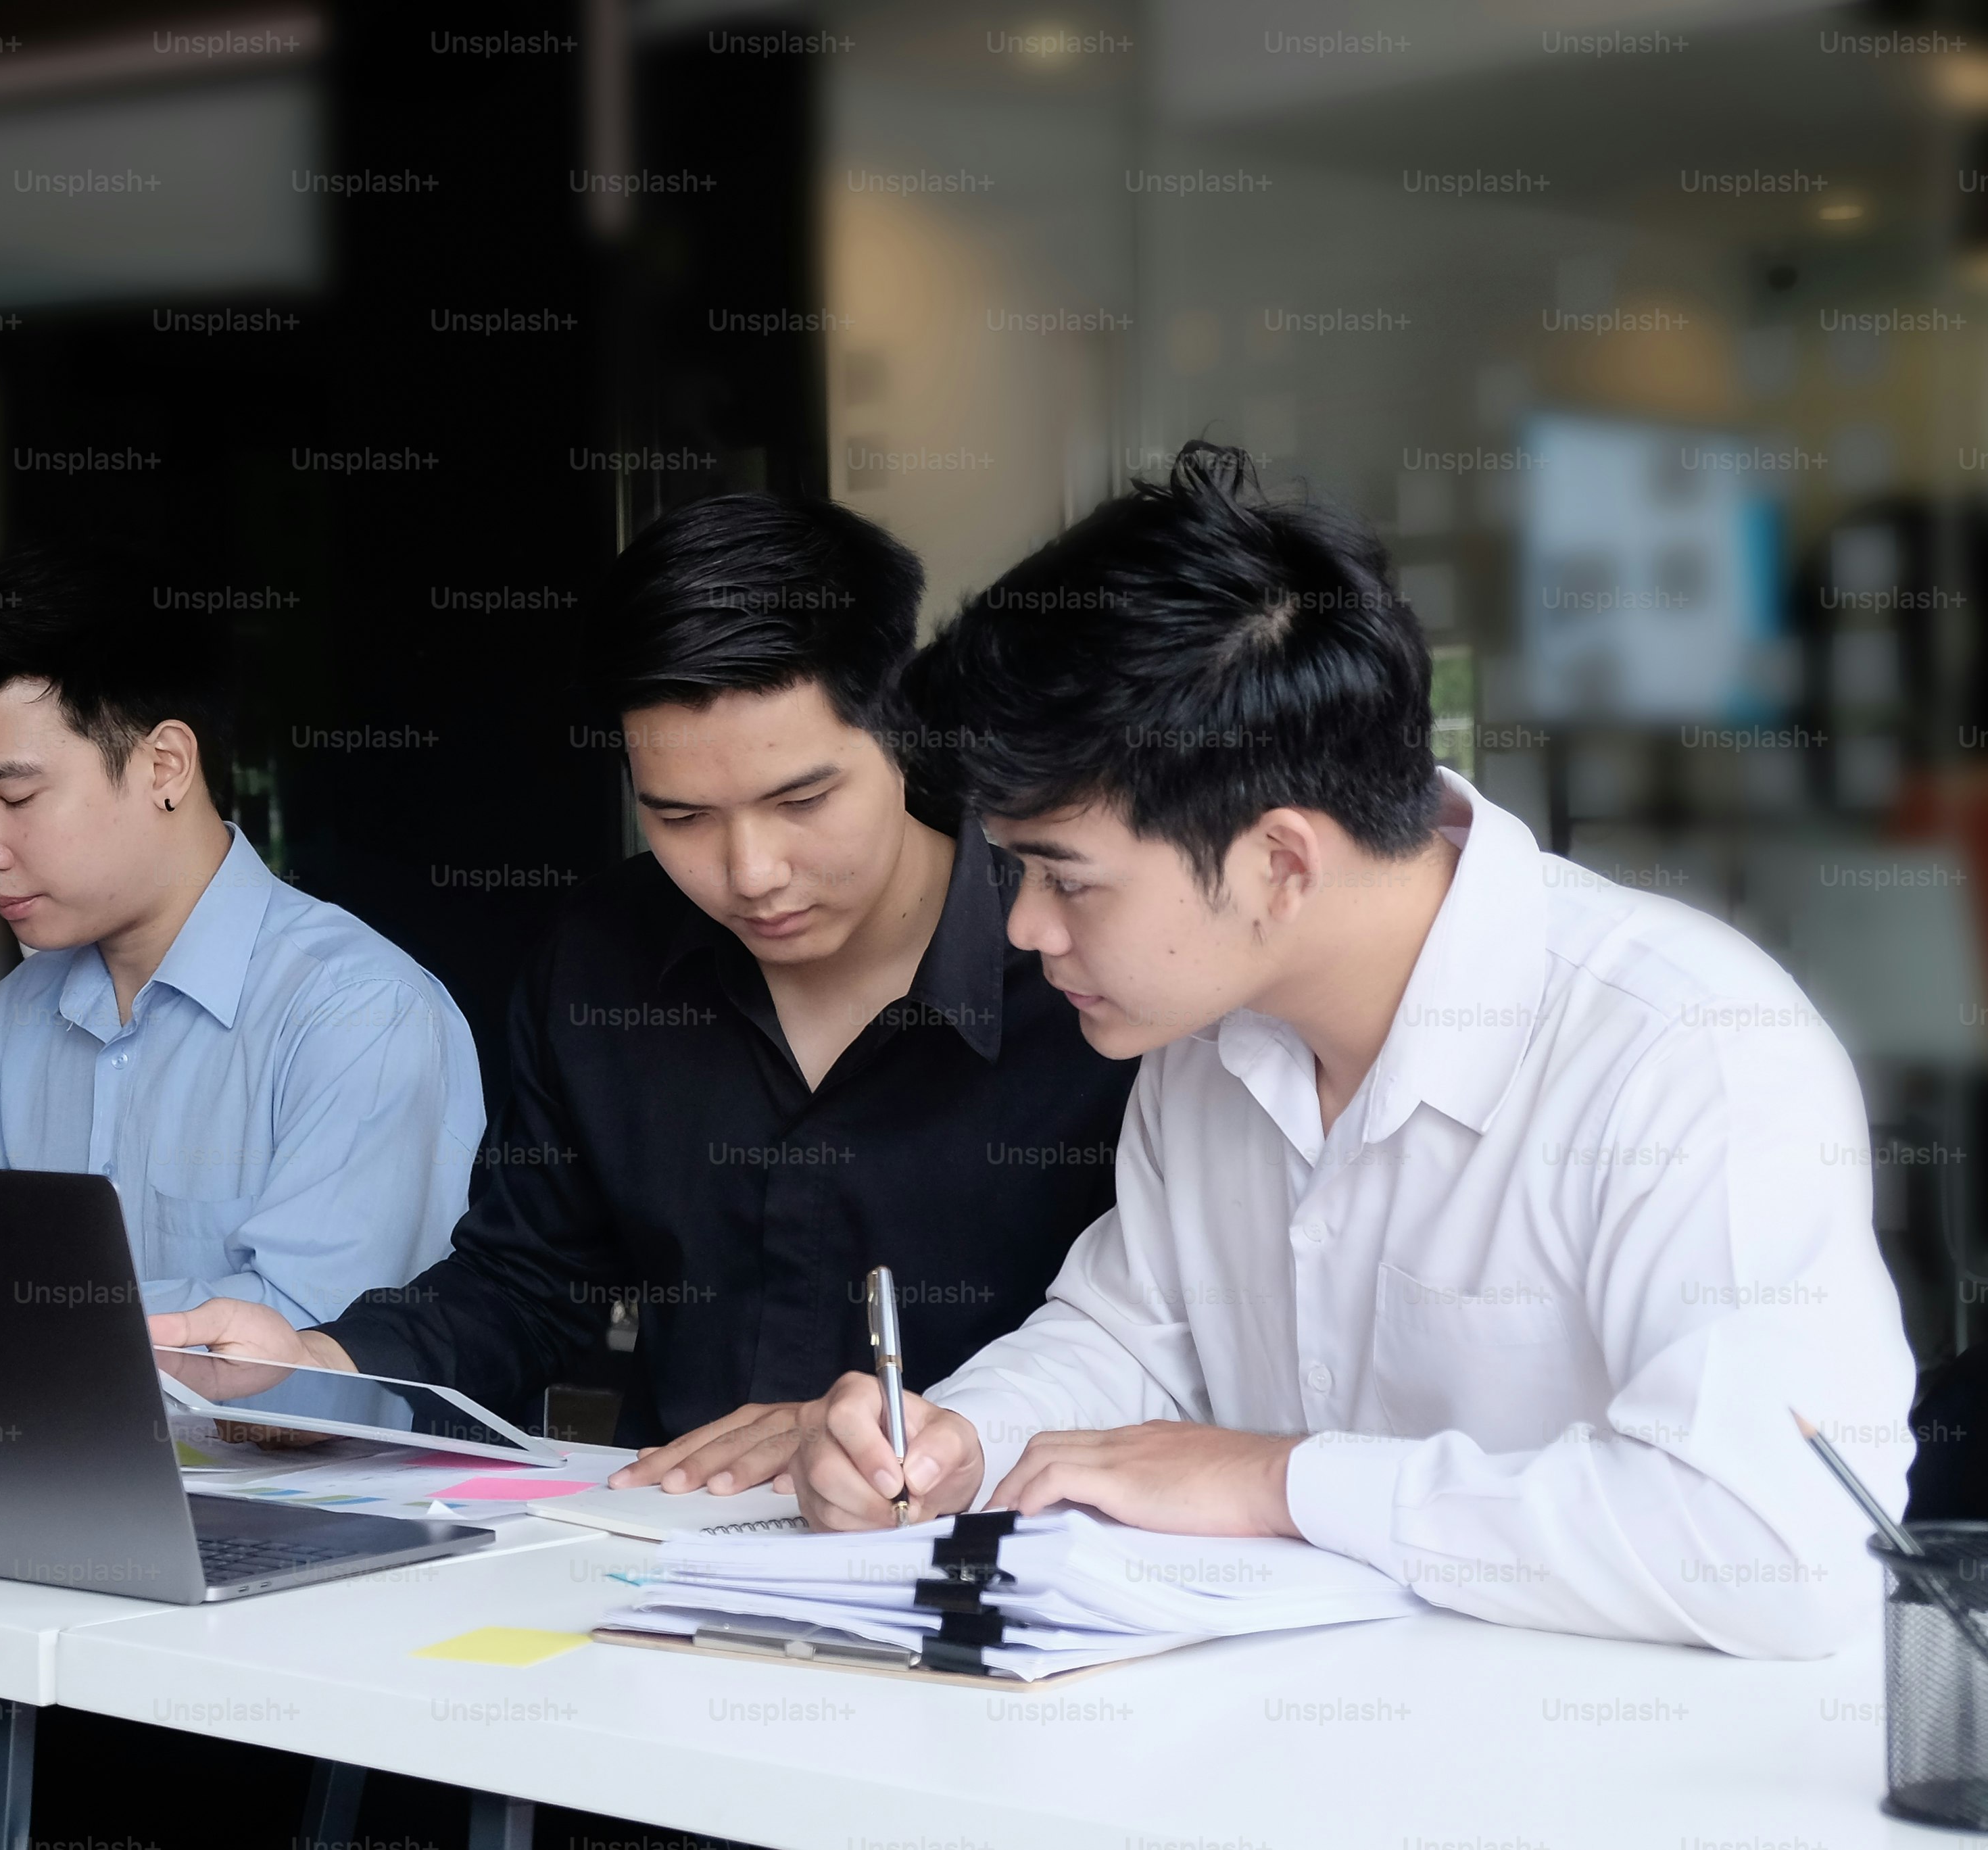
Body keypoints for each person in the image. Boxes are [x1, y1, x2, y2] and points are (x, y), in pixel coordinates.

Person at [792, 442, 1914, 1658]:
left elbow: (1783, 1546)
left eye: (1066, 878)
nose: (1023, 927)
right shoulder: (1205, 1037)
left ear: (1280, 861)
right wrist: (960, 1434)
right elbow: (1134, 1336)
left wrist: (1283, 1481)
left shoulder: (1685, 1051)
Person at [148, 493, 1138, 1494]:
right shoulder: (601, 964)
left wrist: (933, 1434)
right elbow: (523, 1285)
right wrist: (320, 1369)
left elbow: (1161, 1338)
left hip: (1013, 1571)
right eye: (681, 817)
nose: (749, 871)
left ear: (908, 736)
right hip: (661, 1557)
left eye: (801, 801)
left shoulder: (1093, 977)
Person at [0, 552, 485, 1320]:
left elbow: (309, 1339)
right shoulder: (11, 1024)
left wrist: (10, 1312)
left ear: (165, 765)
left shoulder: (362, 1013)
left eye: (15, 795)